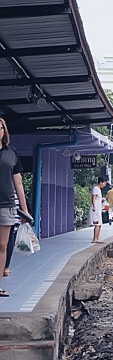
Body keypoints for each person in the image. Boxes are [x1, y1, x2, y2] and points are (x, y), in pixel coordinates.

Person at [0, 117, 29, 295]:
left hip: (7, 204)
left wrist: (24, 210)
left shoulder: (12, 153)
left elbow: (18, 183)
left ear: (4, 131)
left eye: (0, 127)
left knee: (2, 245)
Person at [90, 178, 108, 244]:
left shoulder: (98, 189)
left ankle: (97, 238)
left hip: (98, 208)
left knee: (99, 223)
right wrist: (94, 206)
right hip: (96, 209)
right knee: (97, 224)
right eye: (104, 183)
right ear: (100, 182)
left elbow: (97, 199)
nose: (104, 185)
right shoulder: (96, 189)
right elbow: (94, 198)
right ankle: (95, 238)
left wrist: (101, 199)